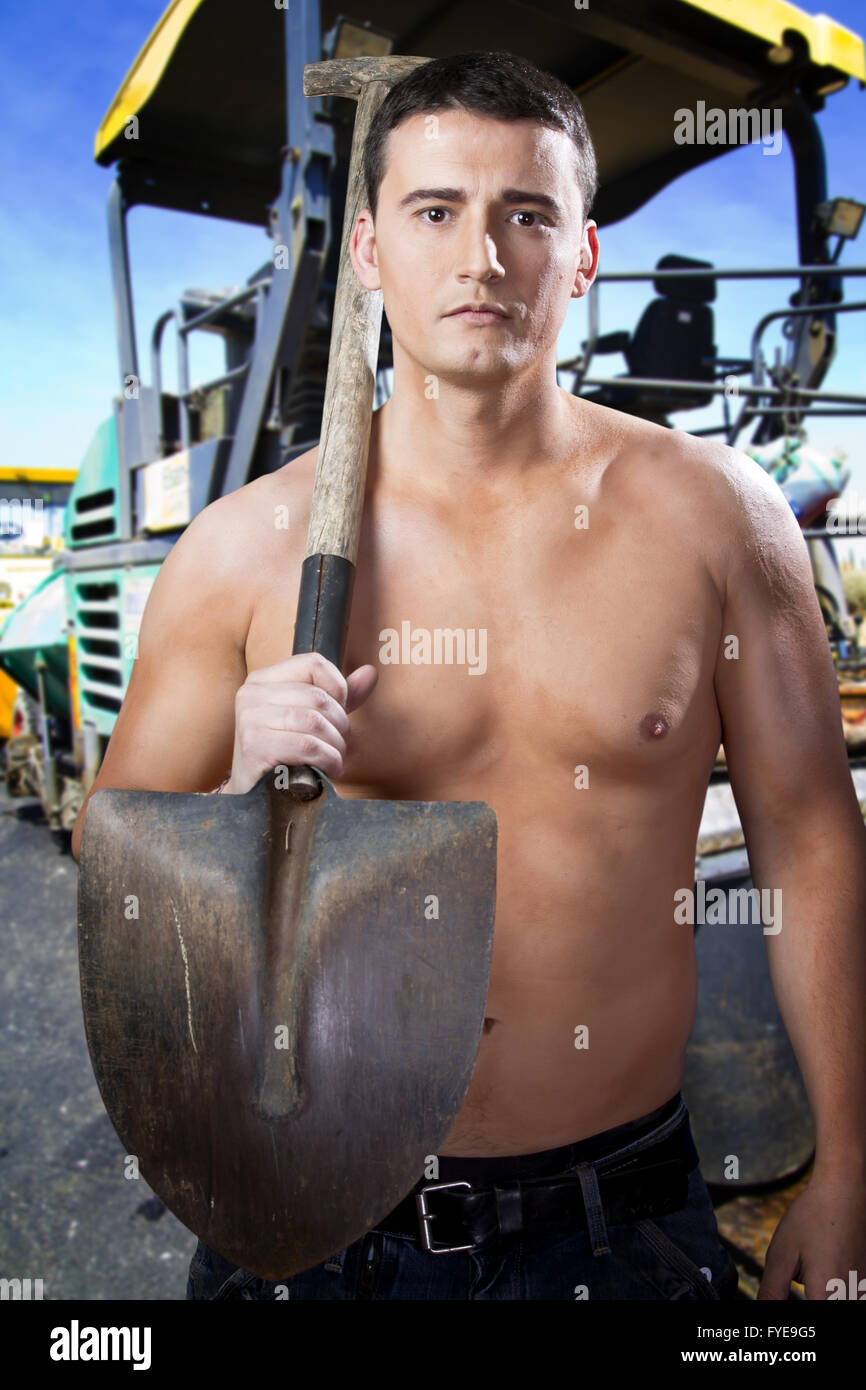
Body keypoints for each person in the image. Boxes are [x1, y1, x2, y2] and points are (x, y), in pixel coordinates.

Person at [71, 50, 866, 1301]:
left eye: (526, 214)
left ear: (583, 254)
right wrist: (233, 775)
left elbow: (810, 840)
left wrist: (850, 1162)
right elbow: (112, 858)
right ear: (373, 254)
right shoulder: (240, 554)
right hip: (309, 1211)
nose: (482, 257)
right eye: (436, 212)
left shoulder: (718, 521)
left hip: (619, 1217)